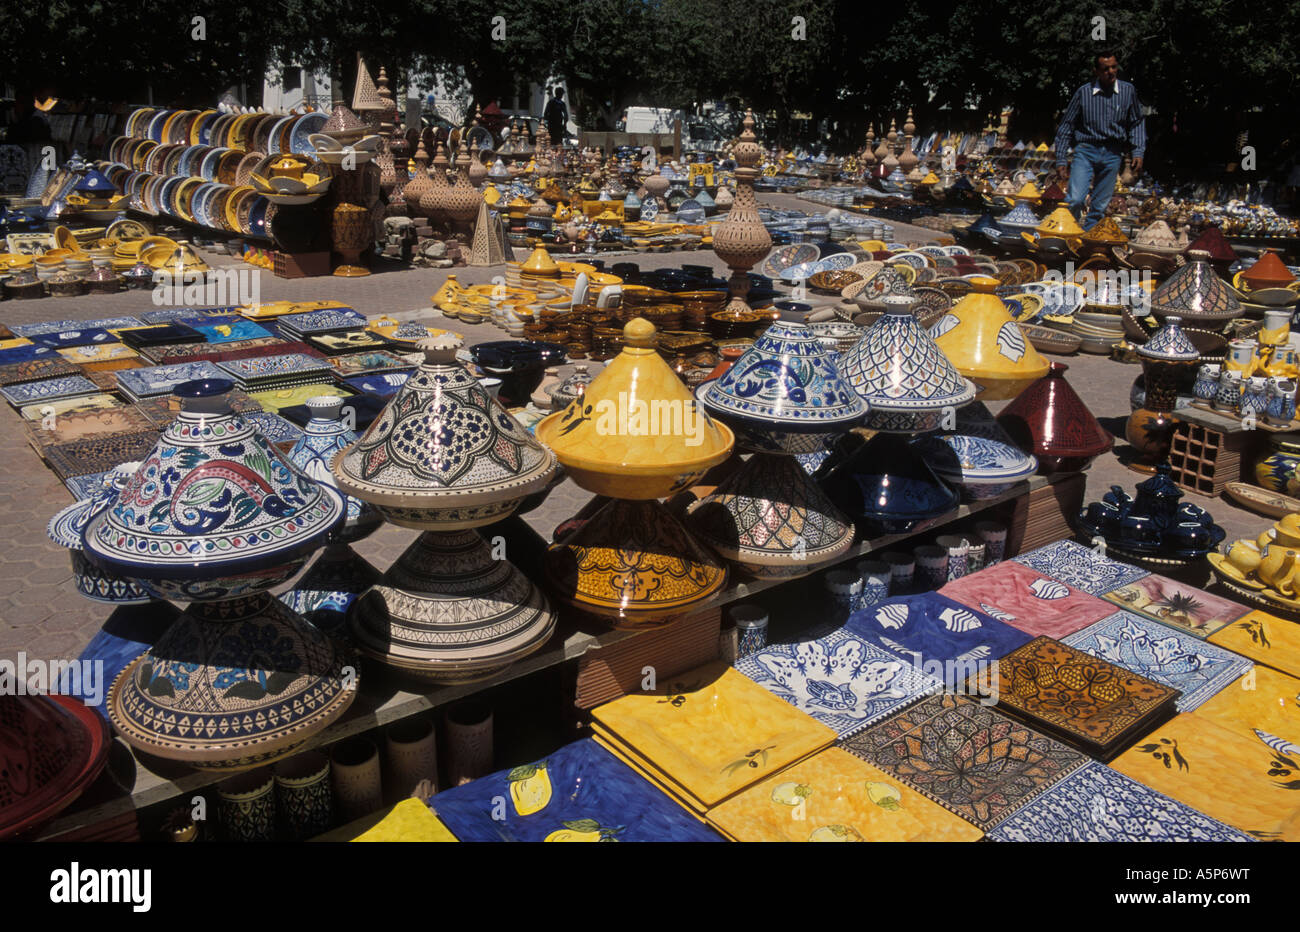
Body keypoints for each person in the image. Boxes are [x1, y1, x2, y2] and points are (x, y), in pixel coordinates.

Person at [1053, 50, 1146, 229]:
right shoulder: (1084, 93)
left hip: (1112, 153)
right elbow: (1066, 126)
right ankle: (1067, 235)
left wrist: (1138, 151)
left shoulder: (1128, 91)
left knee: (1099, 207)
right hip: (1086, 150)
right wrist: (1061, 159)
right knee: (1075, 199)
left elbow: (1137, 123)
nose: (1110, 72)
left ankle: (1087, 244)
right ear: (1096, 71)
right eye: (1105, 69)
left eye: (1113, 67)